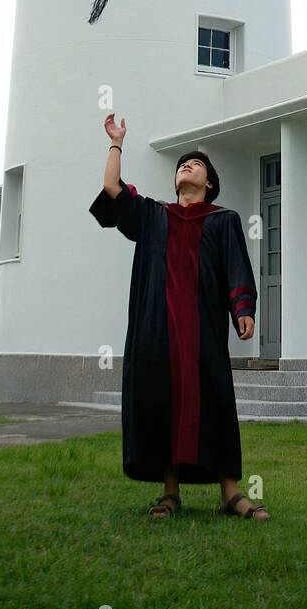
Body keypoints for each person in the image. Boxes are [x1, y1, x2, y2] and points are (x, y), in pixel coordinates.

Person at [88, 113, 270, 520]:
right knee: (163, 402)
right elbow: (111, 189)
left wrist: (243, 308)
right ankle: (170, 493)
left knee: (216, 403)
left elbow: (237, 269)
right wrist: (116, 142)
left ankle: (230, 493)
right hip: (158, 331)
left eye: (196, 164)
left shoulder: (223, 220)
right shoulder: (154, 217)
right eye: (181, 165)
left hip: (203, 332)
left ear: (209, 183)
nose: (186, 166)